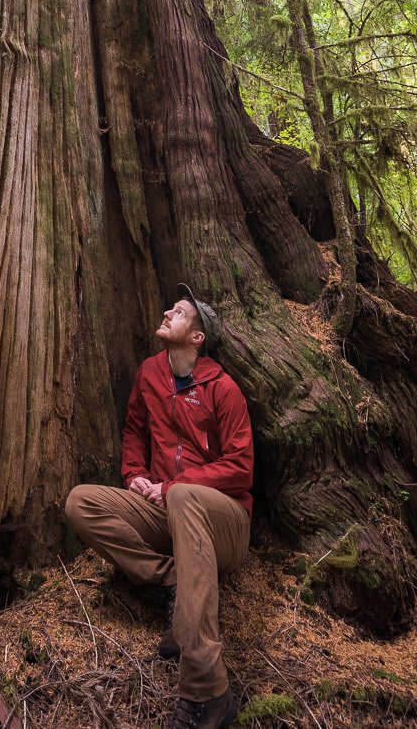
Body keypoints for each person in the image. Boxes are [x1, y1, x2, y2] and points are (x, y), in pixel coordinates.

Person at [65, 286, 253, 729]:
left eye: (181, 312)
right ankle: (172, 578)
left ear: (197, 338)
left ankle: (208, 691)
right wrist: (134, 477)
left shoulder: (222, 389)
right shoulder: (150, 373)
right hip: (165, 511)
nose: (169, 311)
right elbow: (134, 428)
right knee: (80, 503)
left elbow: (240, 468)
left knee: (185, 495)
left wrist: (173, 485)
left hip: (222, 521)